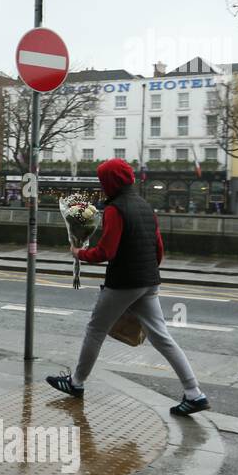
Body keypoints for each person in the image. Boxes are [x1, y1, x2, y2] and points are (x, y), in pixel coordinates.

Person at [47, 158, 209, 417]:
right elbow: (158, 250)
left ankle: (76, 383)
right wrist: (147, 274)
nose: (102, 186)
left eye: (103, 182)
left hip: (124, 281)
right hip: (148, 279)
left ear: (111, 182)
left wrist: (79, 252)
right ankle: (194, 393)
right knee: (162, 337)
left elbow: (107, 251)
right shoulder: (145, 206)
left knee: (96, 329)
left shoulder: (115, 209)